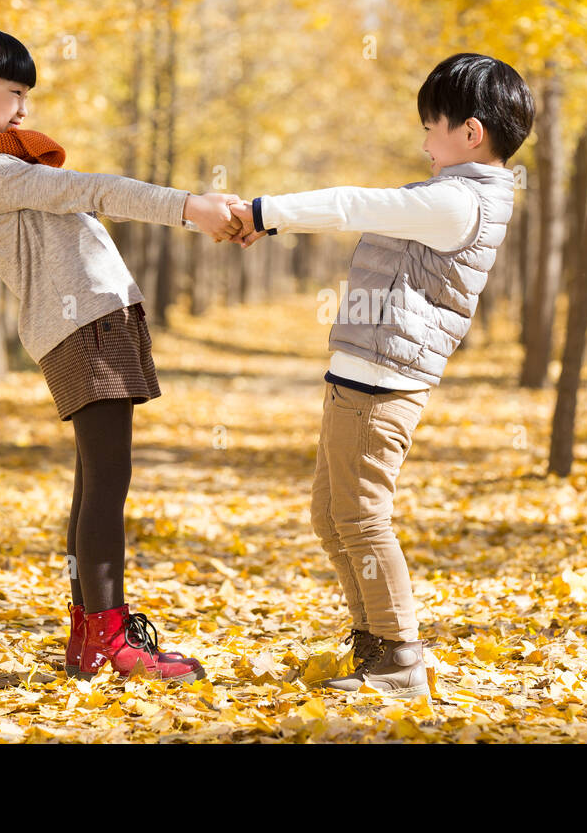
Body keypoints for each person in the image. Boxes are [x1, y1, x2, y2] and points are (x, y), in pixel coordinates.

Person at [0, 24, 242, 682]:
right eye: (13, 92)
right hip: (85, 331)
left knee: (92, 485)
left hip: (94, 324)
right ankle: (111, 638)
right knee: (107, 486)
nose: (23, 108)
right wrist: (193, 208)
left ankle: (90, 635)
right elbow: (99, 189)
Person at [229, 52, 535, 698]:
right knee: (331, 515)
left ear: (470, 132)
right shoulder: (452, 197)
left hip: (382, 381)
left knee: (362, 517)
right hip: (365, 374)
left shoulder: (458, 201)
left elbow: (348, 205)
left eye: (432, 127)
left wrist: (262, 211)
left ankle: (400, 656)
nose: (424, 142)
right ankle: (374, 642)